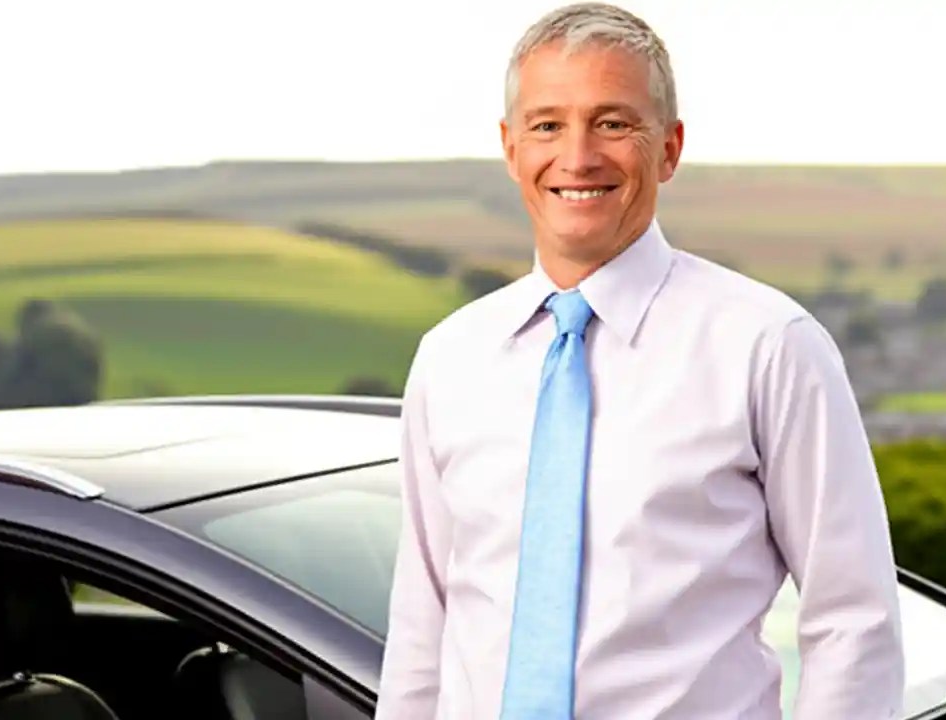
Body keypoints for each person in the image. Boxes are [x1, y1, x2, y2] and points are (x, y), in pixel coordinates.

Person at [375, 3, 904, 718]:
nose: (578, 156)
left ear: (669, 148)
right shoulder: (450, 360)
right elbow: (422, 627)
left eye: (614, 122)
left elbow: (854, 619)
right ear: (510, 148)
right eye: (547, 124)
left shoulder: (768, 344)